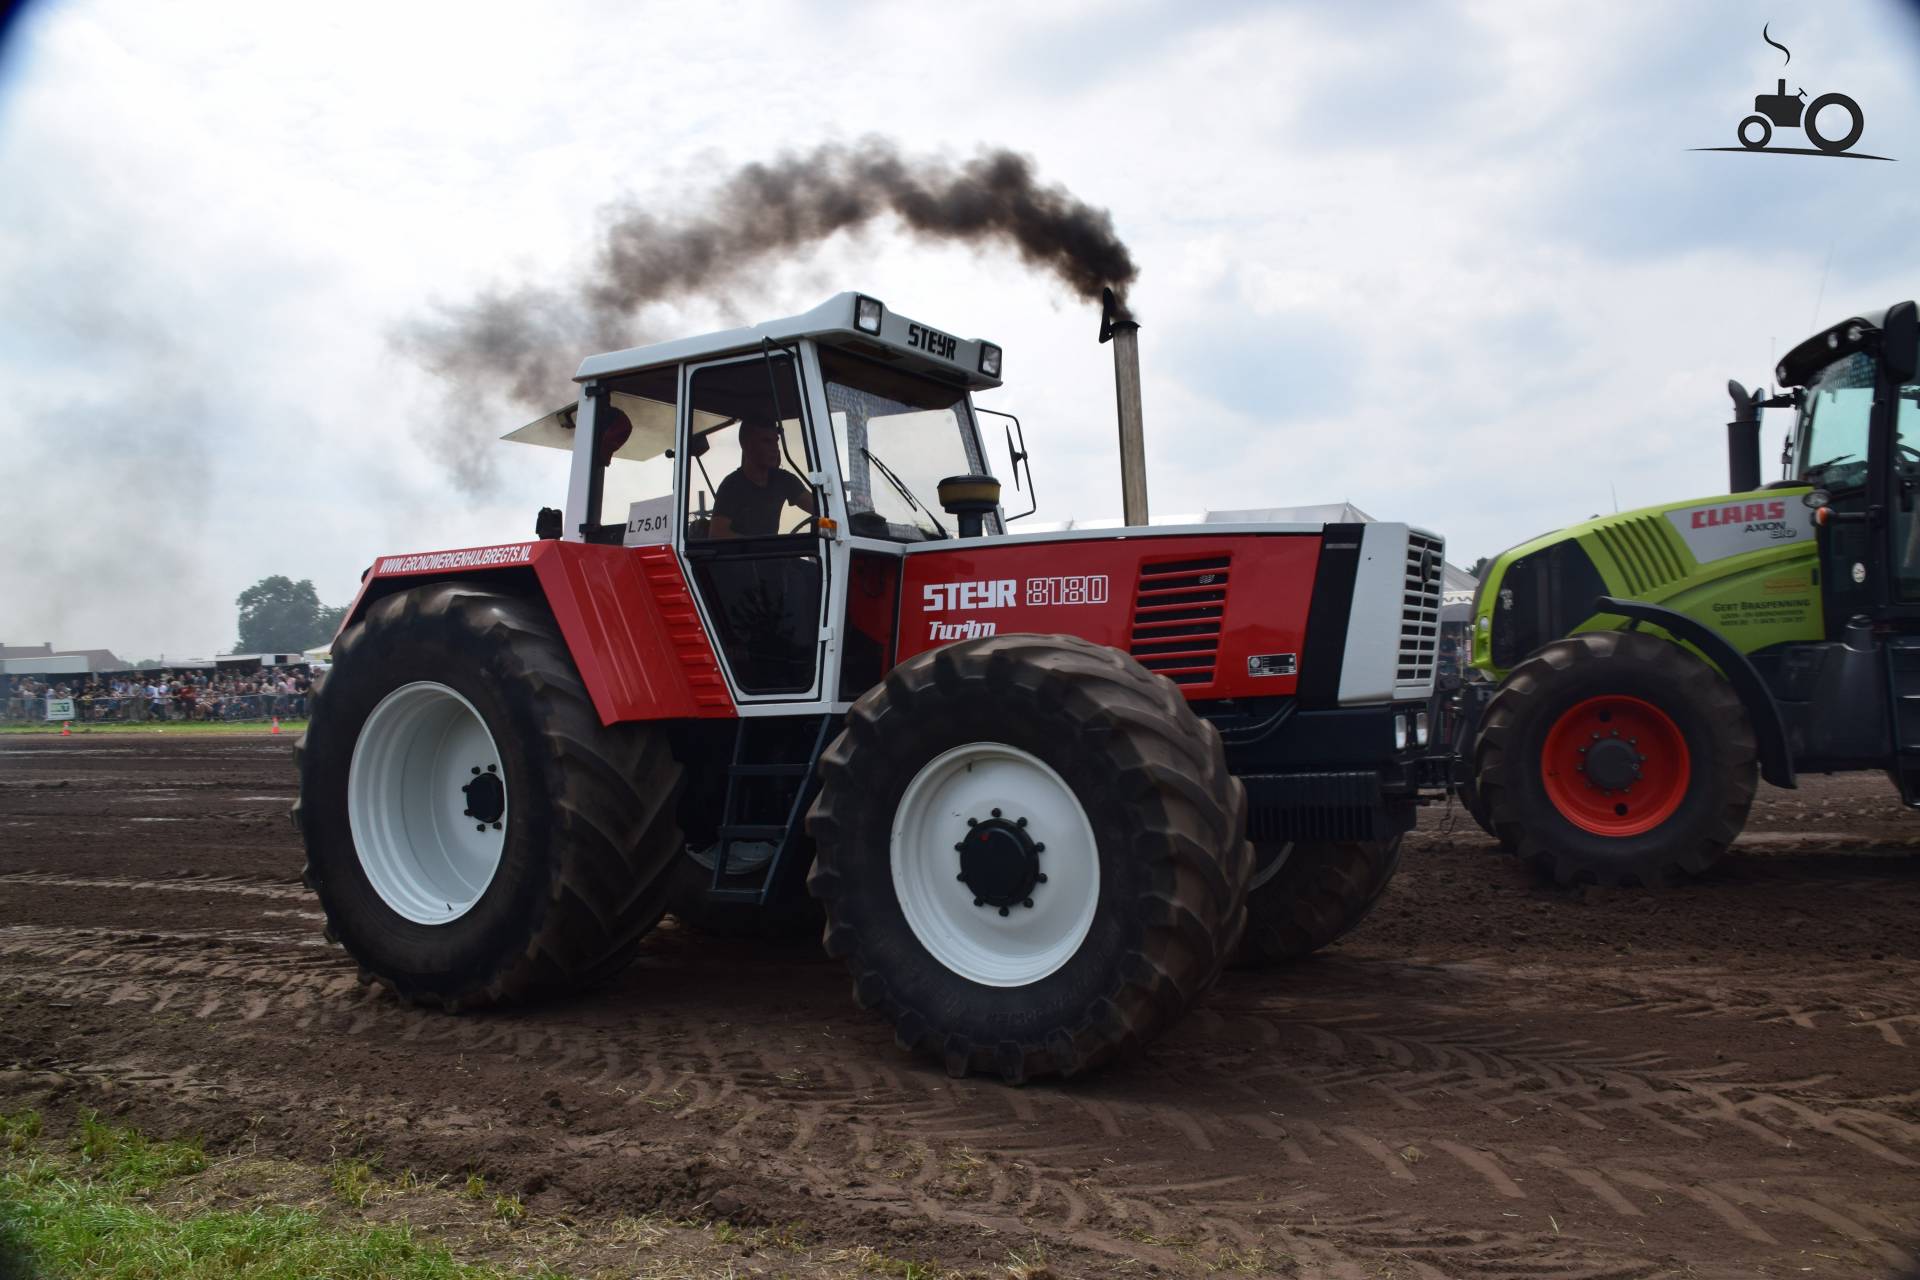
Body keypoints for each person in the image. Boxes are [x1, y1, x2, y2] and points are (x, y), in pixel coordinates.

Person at [709, 417, 816, 538]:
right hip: (741, 556)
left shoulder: (784, 480)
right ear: (747, 445)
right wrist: (757, 547)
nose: (775, 449)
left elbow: (821, 510)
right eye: (766, 441)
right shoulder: (731, 486)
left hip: (773, 554)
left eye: (776, 441)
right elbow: (717, 533)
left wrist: (833, 524)